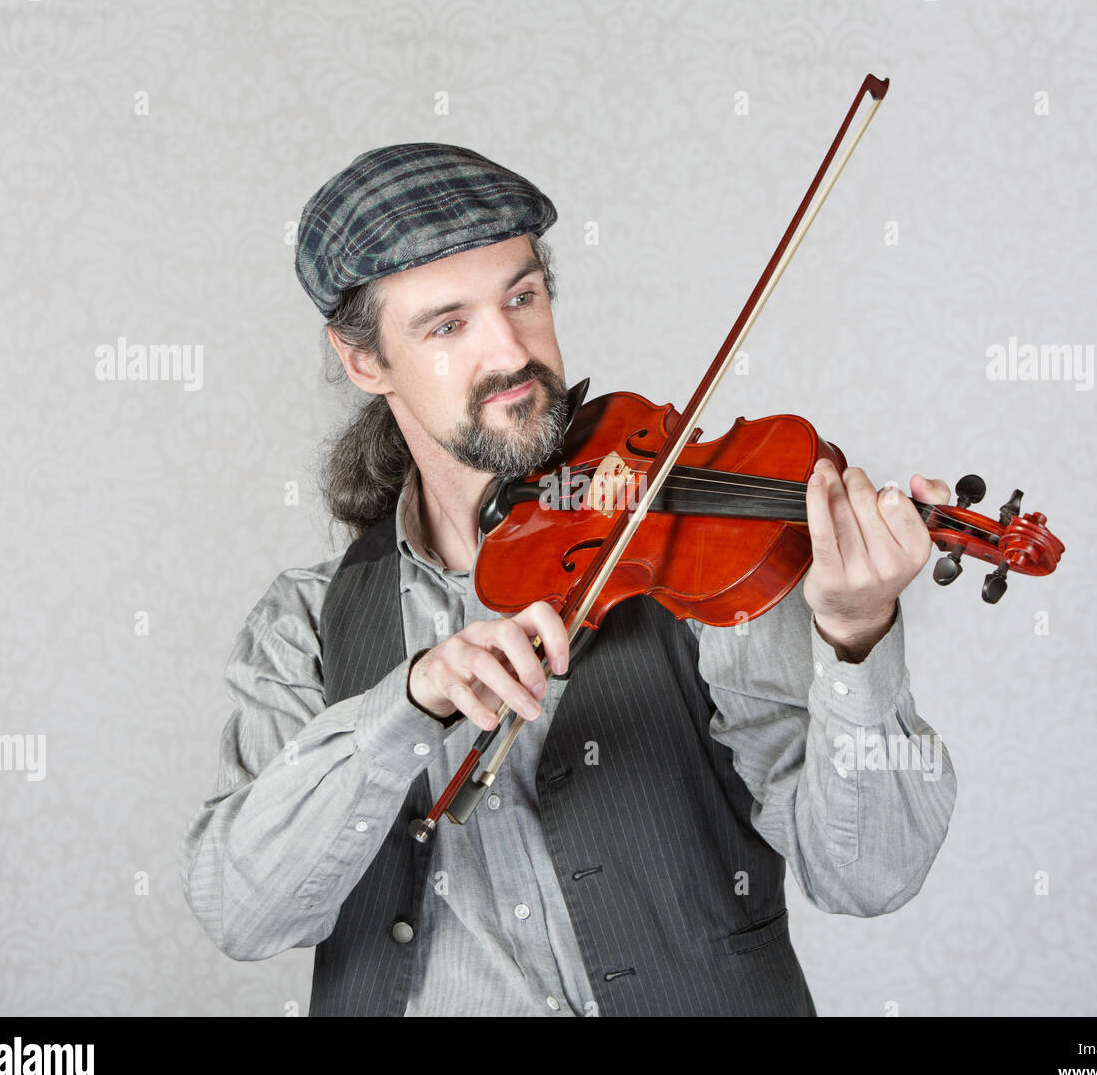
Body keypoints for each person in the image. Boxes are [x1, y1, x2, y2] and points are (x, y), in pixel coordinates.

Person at [179, 143, 958, 1017]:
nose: (511, 351)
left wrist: (856, 640)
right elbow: (242, 914)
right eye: (449, 325)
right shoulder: (307, 621)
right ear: (366, 363)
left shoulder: (686, 560)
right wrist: (409, 705)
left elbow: (867, 875)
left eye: (523, 297)